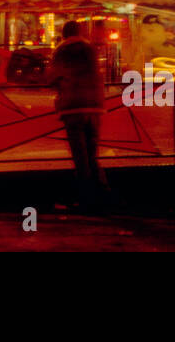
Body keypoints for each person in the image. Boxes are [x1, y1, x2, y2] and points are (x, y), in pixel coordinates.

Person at [46, 20, 105, 212]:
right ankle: (104, 195)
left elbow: (51, 77)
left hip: (73, 106)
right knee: (92, 153)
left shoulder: (61, 51)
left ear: (63, 34)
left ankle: (87, 199)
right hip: (94, 106)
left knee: (80, 156)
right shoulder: (90, 49)